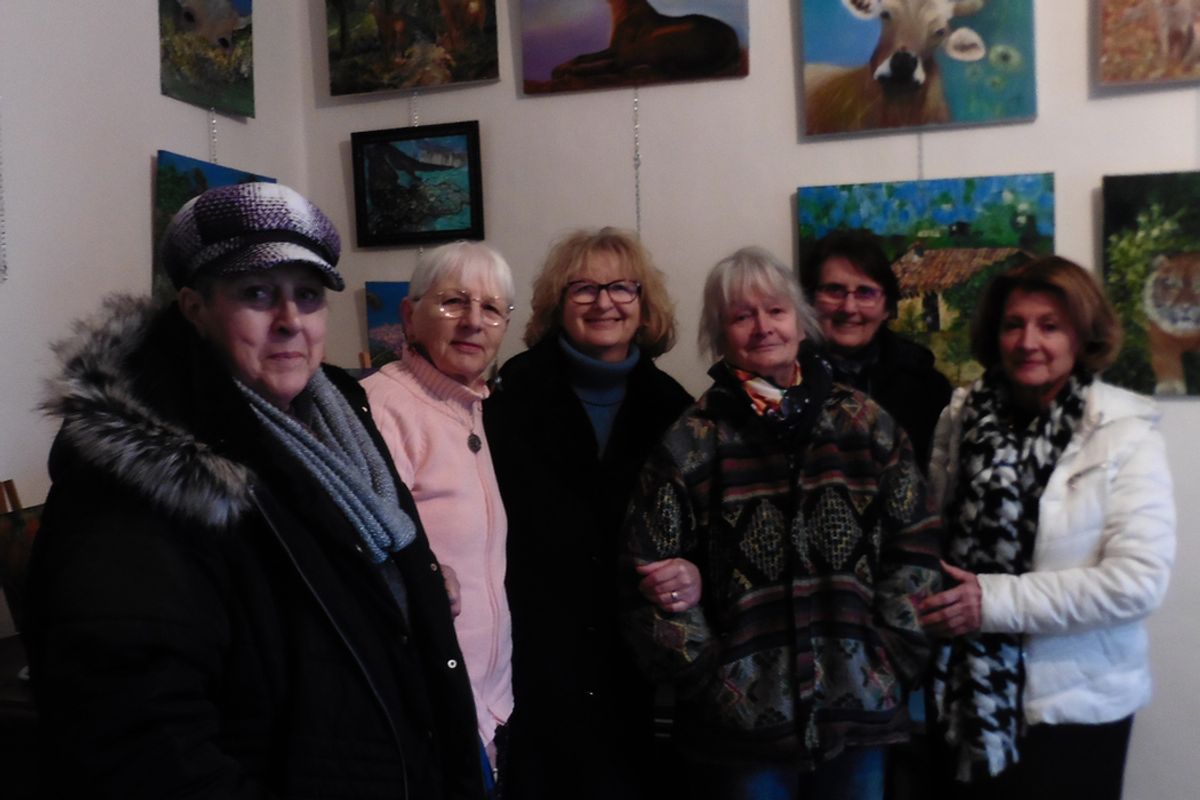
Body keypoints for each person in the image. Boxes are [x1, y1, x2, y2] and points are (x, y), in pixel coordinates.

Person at [25, 183, 485, 799]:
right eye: (256, 293)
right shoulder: (143, 468)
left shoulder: (337, 412)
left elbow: (337, 577)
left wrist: (411, 585)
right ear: (194, 308)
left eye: (308, 295)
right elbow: (136, 732)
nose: (291, 321)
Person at [622, 246, 942, 800]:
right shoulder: (693, 439)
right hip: (743, 729)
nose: (763, 327)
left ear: (800, 320)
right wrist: (708, 679)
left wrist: (892, 659)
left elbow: (916, 548)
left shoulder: (865, 424)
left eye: (775, 310)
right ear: (719, 334)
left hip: (861, 712)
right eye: (741, 316)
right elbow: (645, 571)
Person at [918, 256, 1176, 800]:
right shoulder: (963, 415)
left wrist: (990, 603)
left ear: (1083, 335)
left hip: (1075, 709)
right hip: (961, 695)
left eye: (1050, 325)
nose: (1028, 340)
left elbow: (1137, 582)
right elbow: (934, 531)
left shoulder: (1124, 433)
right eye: (1014, 324)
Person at [483, 227, 693, 799]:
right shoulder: (507, 395)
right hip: (533, 659)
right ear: (557, 303)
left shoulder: (675, 408)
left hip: (640, 667)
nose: (605, 303)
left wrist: (692, 571)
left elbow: (700, 533)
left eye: (623, 288)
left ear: (644, 303)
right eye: (584, 289)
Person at [360, 241, 515, 792]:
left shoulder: (473, 405)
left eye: (492, 309)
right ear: (409, 314)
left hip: (484, 693)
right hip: (428, 700)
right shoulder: (382, 406)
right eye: (453, 302)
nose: (474, 322)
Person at [800, 228, 952, 468]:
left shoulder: (929, 390)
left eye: (865, 292)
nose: (849, 307)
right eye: (834, 290)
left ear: (887, 308)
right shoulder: (783, 385)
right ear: (810, 300)